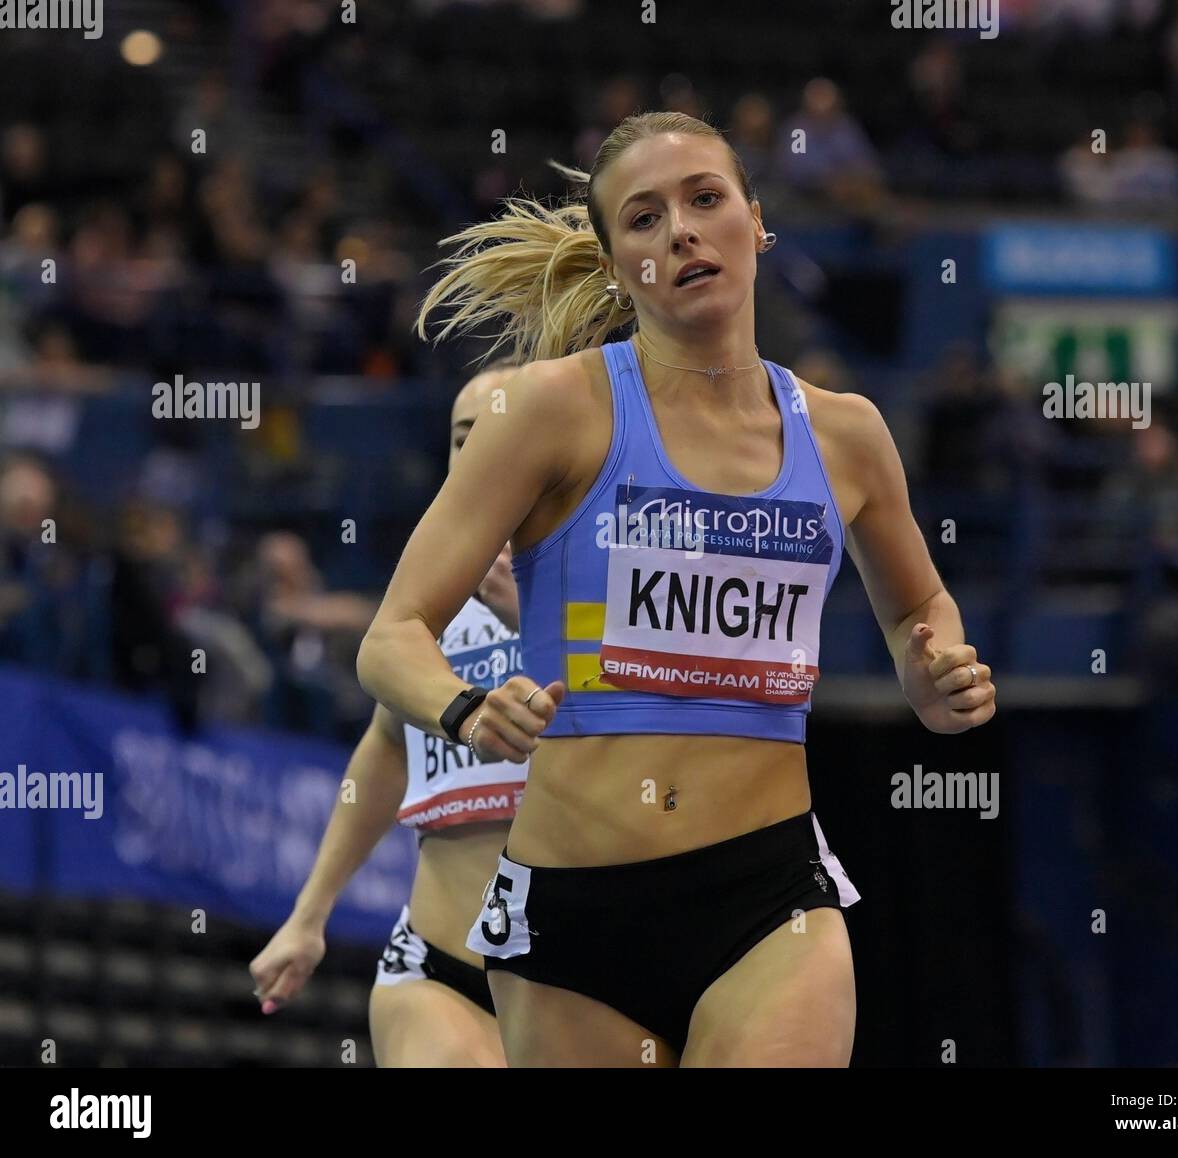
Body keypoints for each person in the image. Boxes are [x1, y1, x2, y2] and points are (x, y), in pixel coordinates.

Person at [357, 111, 996, 1067]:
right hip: (572, 921)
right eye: (645, 219)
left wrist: (929, 672)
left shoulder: (845, 433)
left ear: (757, 222)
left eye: (706, 199)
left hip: (768, 900)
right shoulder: (551, 412)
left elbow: (918, 607)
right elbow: (392, 634)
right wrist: (467, 707)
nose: (683, 232)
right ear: (618, 266)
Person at [249, 360, 527, 1066]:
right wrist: (308, 918)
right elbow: (385, 747)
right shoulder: (426, 603)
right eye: (463, 437)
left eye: (500, 432)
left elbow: (656, 736)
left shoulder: (603, 581)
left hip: (584, 982)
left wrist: (535, 622)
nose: (478, 454)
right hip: (436, 970)